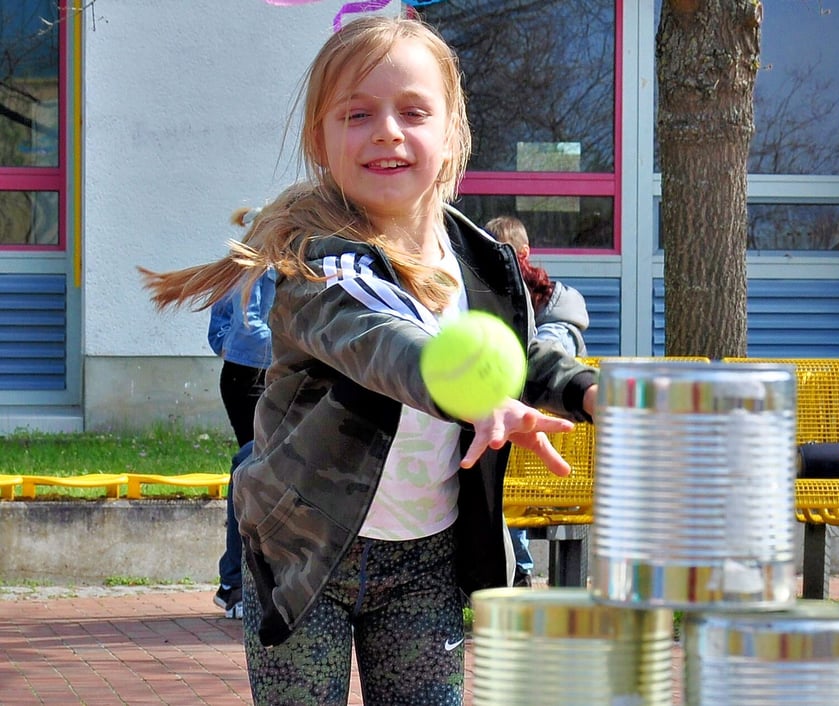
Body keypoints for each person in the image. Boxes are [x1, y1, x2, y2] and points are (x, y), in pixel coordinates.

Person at [138, 14, 597, 706]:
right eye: (358, 114)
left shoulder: (479, 262)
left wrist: (588, 391)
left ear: (450, 136)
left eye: (413, 112)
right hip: (306, 549)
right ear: (321, 141)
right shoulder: (319, 266)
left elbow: (516, 352)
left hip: (427, 558)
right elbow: (386, 346)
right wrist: (472, 395)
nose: (387, 131)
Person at [485, 215, 591, 588]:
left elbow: (536, 365)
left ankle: (518, 572)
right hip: (521, 458)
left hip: (548, 466)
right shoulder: (492, 303)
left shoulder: (556, 325)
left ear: (524, 254)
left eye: (500, 254)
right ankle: (514, 571)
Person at [206, 205, 276, 619]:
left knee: (255, 470)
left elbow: (220, 331)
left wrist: (230, 349)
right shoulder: (254, 268)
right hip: (253, 379)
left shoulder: (240, 265)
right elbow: (249, 326)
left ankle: (240, 580)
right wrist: (294, 345)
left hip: (249, 374)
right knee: (250, 466)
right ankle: (234, 583)